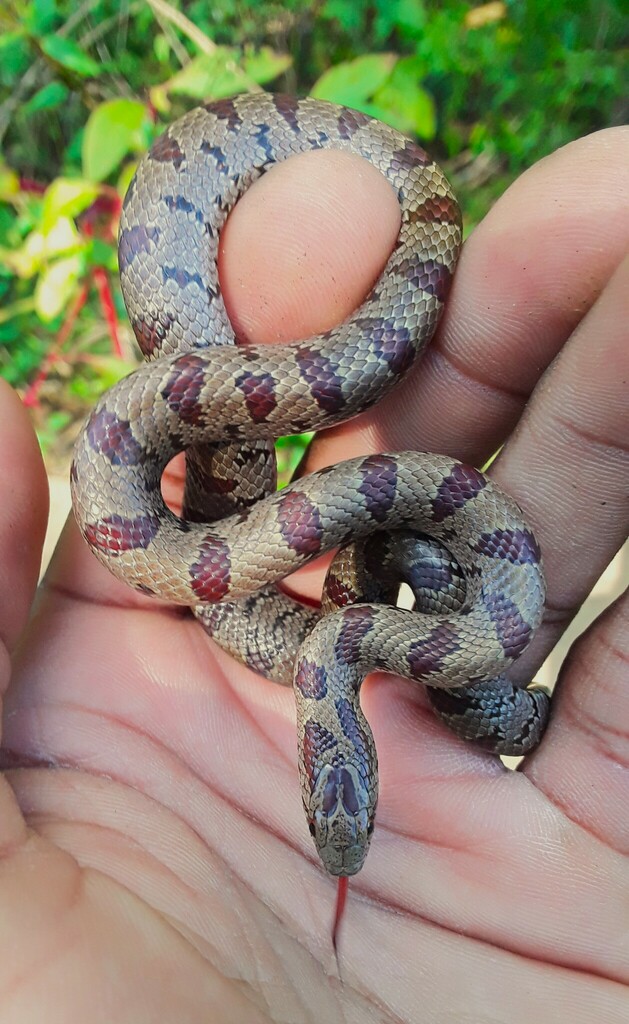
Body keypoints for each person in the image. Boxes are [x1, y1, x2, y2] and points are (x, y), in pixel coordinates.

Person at [0, 124, 627, 1023]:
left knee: (381, 562)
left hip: (324, 585)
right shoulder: (363, 639)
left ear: (320, 760)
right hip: (288, 573)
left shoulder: (350, 642)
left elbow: (350, 628)